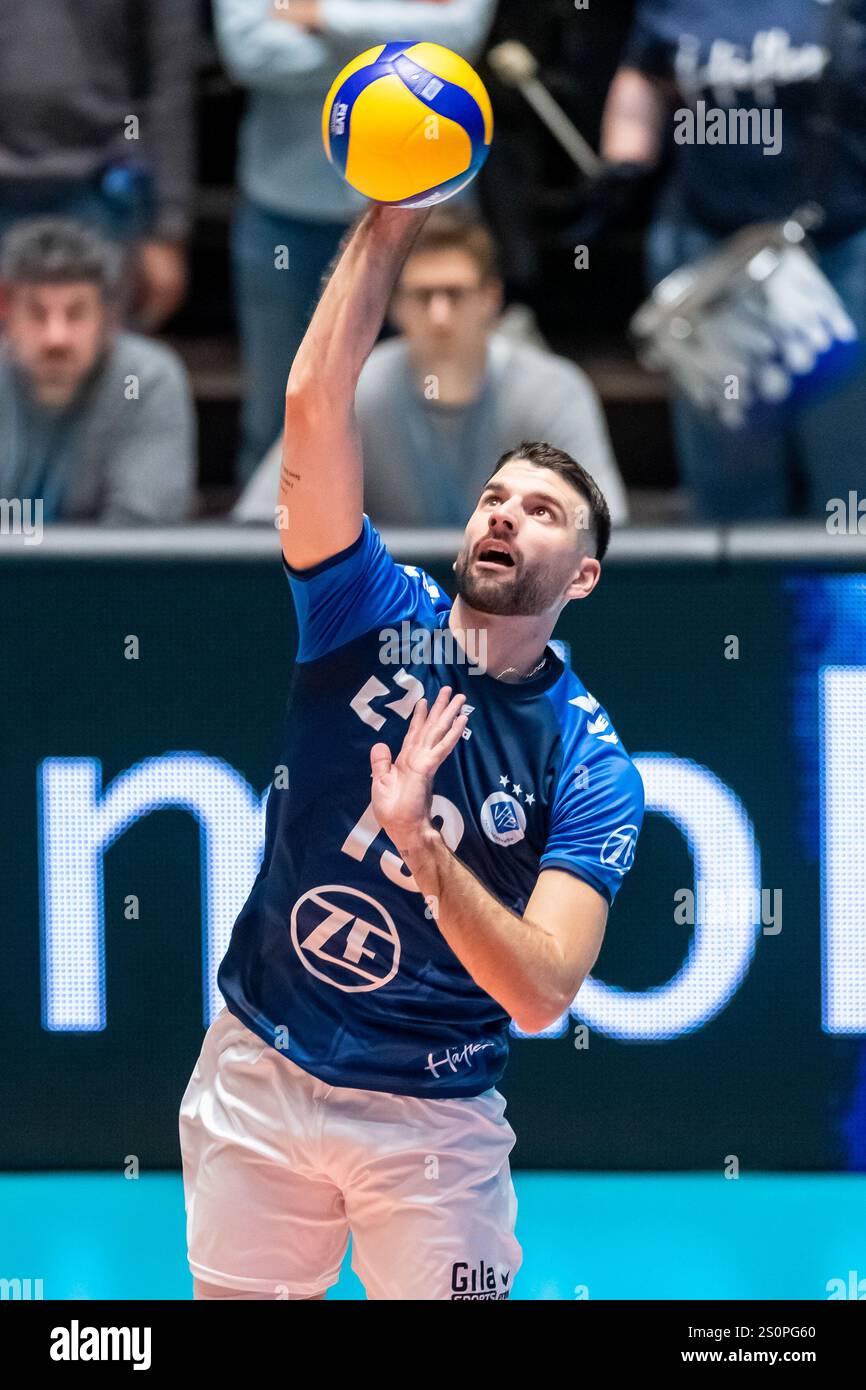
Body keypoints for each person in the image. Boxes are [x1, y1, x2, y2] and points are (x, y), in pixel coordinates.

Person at [179, 202, 644, 1301]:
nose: (503, 513)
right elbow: (309, 403)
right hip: (260, 1062)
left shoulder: (588, 766)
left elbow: (540, 992)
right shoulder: (364, 609)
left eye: (540, 510)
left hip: (432, 1122)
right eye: (493, 496)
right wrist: (390, 217)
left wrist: (426, 855)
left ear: (579, 575)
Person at [587, 0, 866, 520]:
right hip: (712, 257)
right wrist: (625, 161)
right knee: (728, 467)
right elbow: (645, 73)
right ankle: (742, 600)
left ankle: (845, 599)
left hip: (839, 251)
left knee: (848, 465)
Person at [213, 0, 498, 483]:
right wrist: (402, 59)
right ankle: (274, 554)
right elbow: (248, 51)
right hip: (290, 212)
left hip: (428, 208)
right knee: (281, 420)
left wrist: (322, 19)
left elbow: (461, 35)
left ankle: (440, 555)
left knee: (439, 403)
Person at [233, 208, 629, 525]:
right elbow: (262, 519)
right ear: (395, 304)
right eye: (423, 296)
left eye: (455, 294)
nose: (440, 315)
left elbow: (601, 527)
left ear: (491, 298)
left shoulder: (553, 390)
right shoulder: (353, 390)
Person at [0, 0, 198, 331]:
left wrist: (169, 228)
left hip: (105, 189)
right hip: (5, 187)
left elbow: (170, 74)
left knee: (105, 367)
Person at [0, 218, 197, 523]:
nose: (56, 338)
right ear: (6, 312)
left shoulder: (147, 380)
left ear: (108, 317)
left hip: (103, 572)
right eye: (37, 314)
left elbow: (143, 535)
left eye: (76, 313)